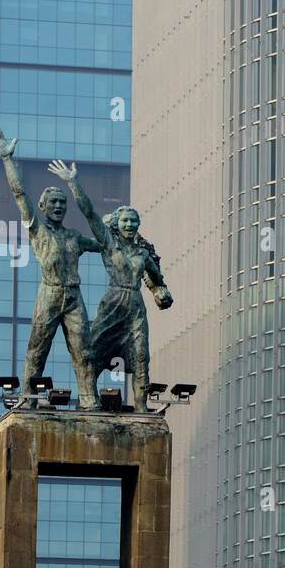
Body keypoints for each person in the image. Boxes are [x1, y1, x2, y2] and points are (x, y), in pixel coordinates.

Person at [0, 125, 101, 408]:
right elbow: (19, 193)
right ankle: (28, 400)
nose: (59, 206)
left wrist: (73, 184)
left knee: (83, 352)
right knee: (37, 350)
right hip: (49, 294)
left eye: (62, 202)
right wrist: (6, 159)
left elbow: (104, 242)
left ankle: (89, 400)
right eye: (54, 202)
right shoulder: (38, 228)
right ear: (44, 206)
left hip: (74, 296)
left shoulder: (74, 236)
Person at [48, 160, 173, 411]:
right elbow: (89, 212)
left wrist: (162, 292)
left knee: (140, 357)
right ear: (116, 224)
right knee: (94, 353)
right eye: (125, 221)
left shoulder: (142, 254)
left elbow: (157, 281)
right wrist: (72, 183)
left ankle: (140, 408)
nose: (130, 225)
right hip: (113, 302)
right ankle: (88, 401)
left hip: (135, 306)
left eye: (133, 221)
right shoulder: (108, 244)